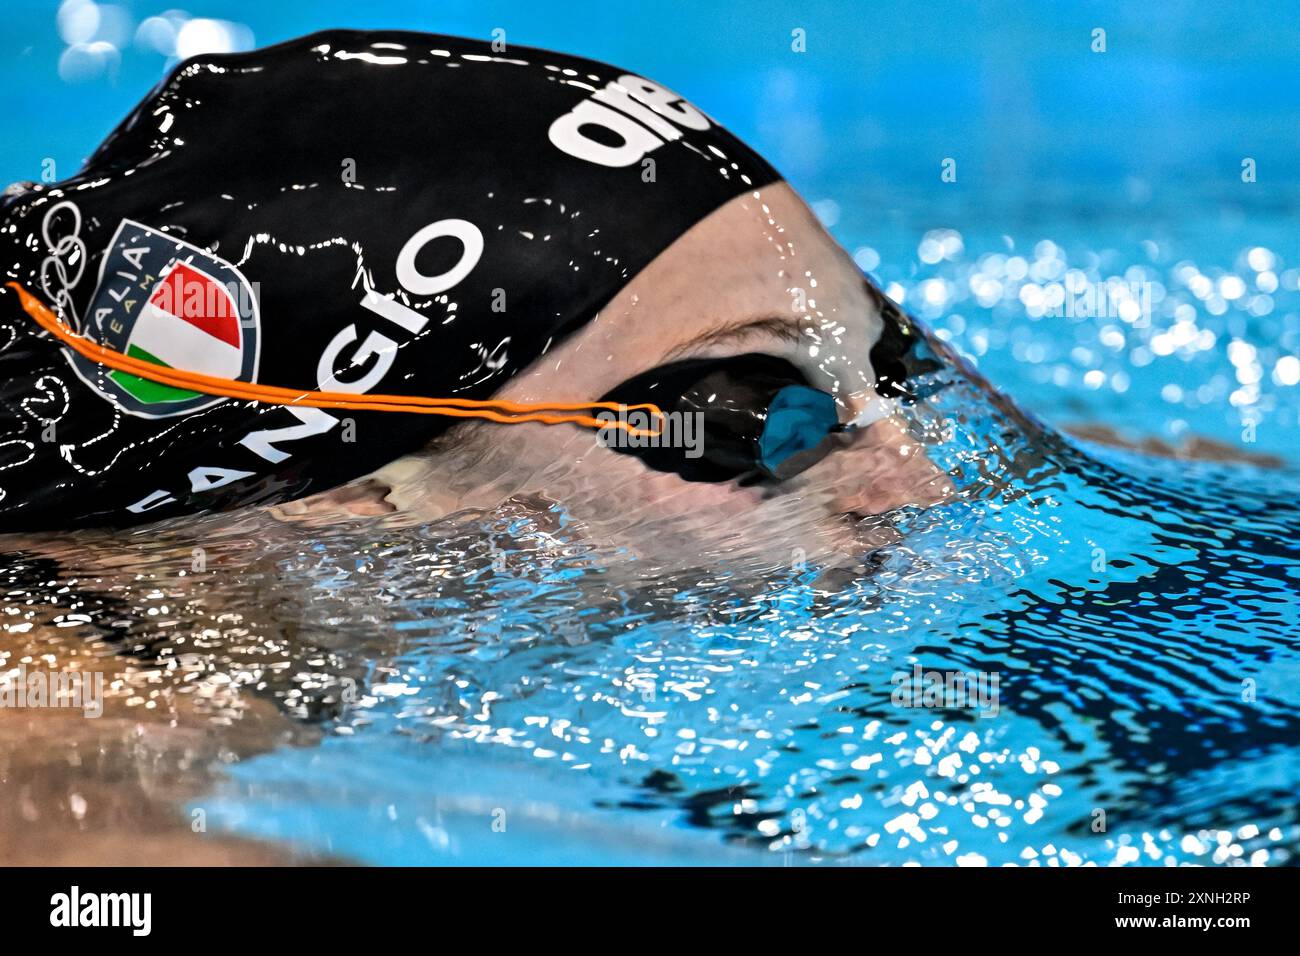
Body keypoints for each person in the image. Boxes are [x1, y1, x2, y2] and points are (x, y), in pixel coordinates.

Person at [0, 29, 952, 543]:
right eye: (753, 410)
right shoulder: (87, 717)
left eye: (897, 355)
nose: (919, 486)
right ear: (360, 493)